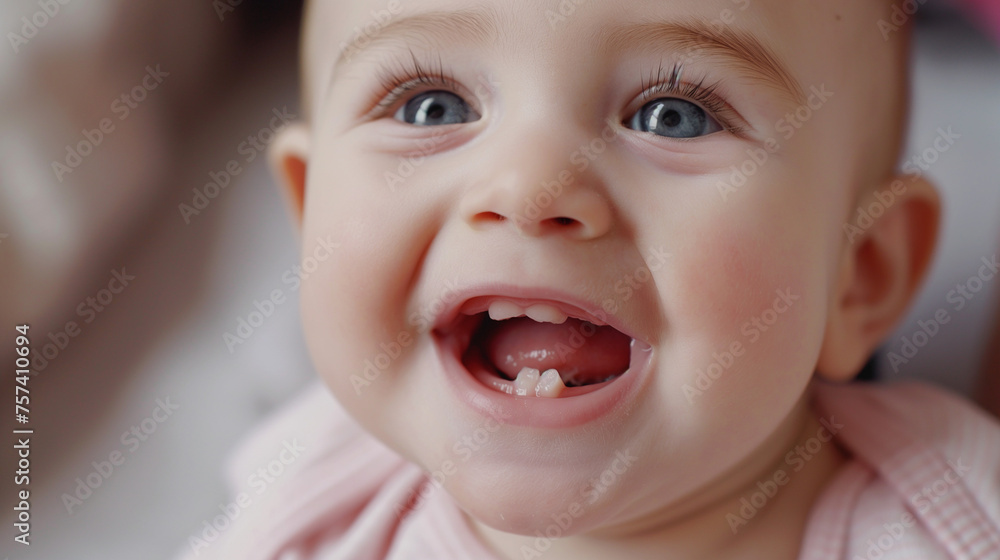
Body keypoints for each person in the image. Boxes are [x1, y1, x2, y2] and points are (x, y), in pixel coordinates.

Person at [181, 0, 1000, 558]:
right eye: (431, 105)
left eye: (672, 115)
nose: (531, 191)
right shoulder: (303, 509)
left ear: (859, 274)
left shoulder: (957, 519)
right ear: (306, 212)